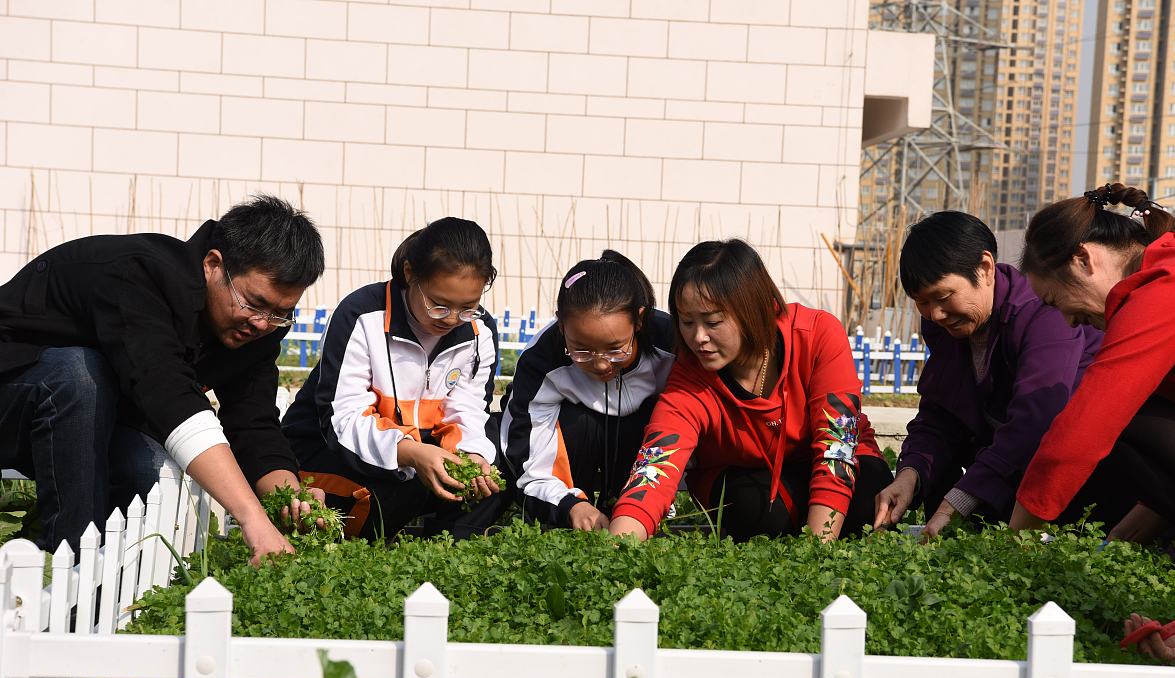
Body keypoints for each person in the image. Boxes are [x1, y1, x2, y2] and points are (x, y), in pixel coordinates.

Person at [0, 195, 326, 562]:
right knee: (78, 375)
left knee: (152, 471)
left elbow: (254, 422)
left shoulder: (255, 329)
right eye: (253, 303)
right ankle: (69, 562)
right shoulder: (137, 276)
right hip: (15, 398)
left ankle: (125, 588)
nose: (263, 323)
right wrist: (252, 519)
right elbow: (166, 393)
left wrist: (290, 495)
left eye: (281, 313)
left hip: (91, 422)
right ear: (213, 265)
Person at [607, 239, 892, 542]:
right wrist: (619, 547)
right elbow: (656, 465)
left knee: (867, 498)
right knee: (754, 510)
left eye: (713, 322)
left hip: (820, 459)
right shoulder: (690, 377)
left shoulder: (818, 334)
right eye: (687, 322)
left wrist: (816, 551)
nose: (698, 337)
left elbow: (836, 447)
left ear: (754, 309)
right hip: (744, 475)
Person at [873, 212, 1103, 537]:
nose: (936, 314)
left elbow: (1034, 423)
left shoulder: (1042, 310)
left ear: (985, 268)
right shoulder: (944, 325)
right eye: (921, 302)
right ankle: (944, 534)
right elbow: (940, 412)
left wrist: (959, 502)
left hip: (1079, 483)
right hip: (1004, 472)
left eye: (943, 296)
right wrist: (909, 474)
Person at [282, 217, 503, 540]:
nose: (453, 319)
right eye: (438, 306)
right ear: (410, 274)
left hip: (419, 454)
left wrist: (472, 455)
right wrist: (410, 453)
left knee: (492, 465)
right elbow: (342, 420)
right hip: (334, 451)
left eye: (468, 307)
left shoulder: (480, 331)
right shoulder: (361, 316)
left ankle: (452, 549)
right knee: (394, 491)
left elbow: (469, 409)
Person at [1009, 182, 1175, 542]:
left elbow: (1083, 430)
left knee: (1111, 417)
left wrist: (1017, 540)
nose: (1066, 320)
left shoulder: (1163, 291)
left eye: (1054, 299)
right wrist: (1121, 538)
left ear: (1083, 260)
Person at [499, 251, 674, 531]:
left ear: (639, 321)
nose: (602, 364)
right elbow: (524, 451)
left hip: (642, 447)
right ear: (561, 325)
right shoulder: (543, 358)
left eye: (617, 349)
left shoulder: (670, 343)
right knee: (577, 419)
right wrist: (569, 505)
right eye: (581, 350)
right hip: (578, 452)